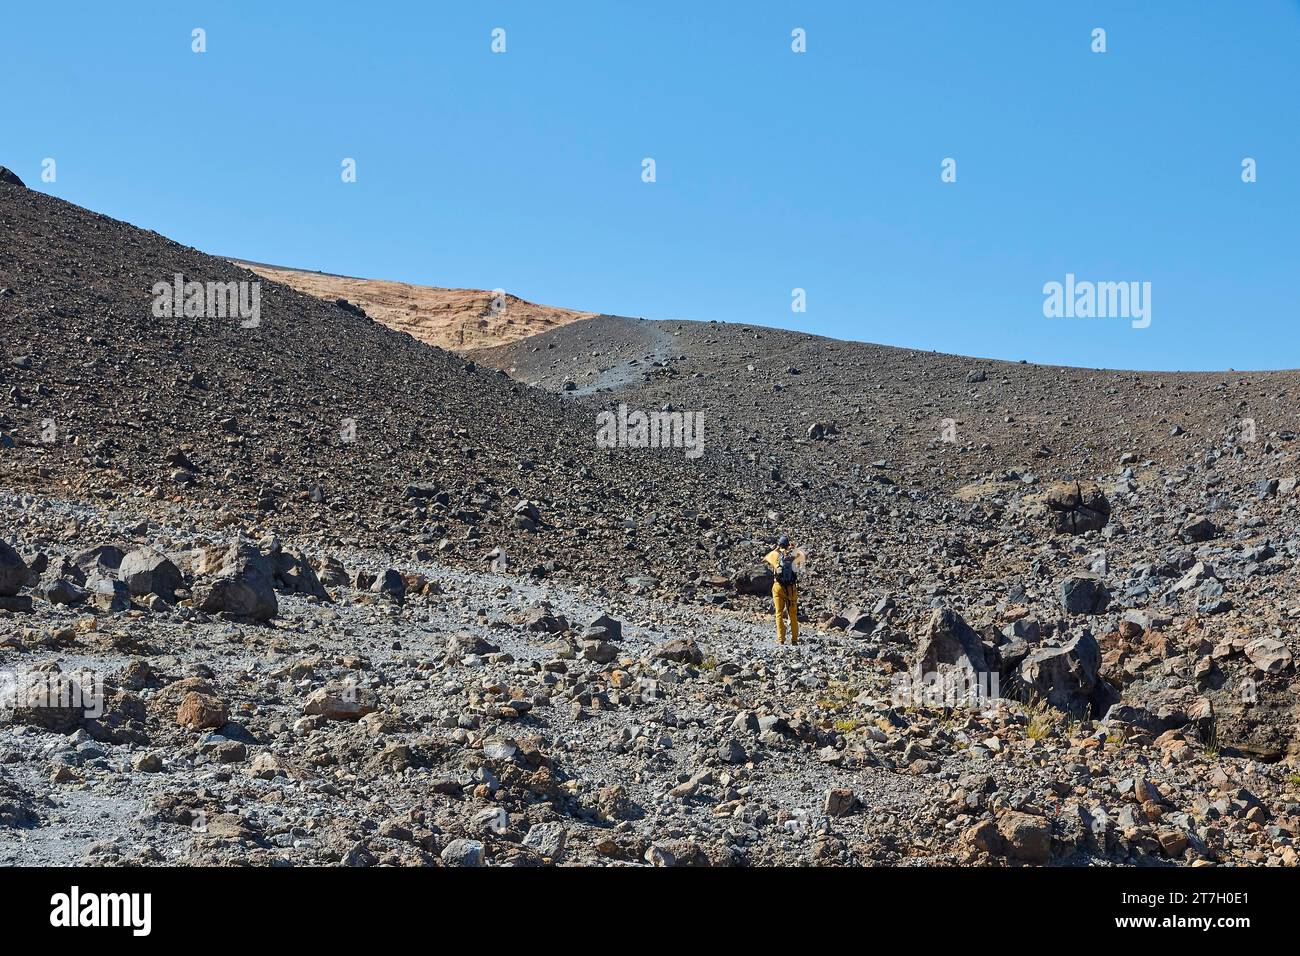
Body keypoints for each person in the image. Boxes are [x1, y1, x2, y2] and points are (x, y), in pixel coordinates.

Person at [763, 534, 800, 645]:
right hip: (791, 588)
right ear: (788, 545)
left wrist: (776, 549)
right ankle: (794, 639)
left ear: (779, 544)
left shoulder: (774, 554)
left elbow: (764, 558)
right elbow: (800, 561)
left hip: (778, 587)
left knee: (779, 613)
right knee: (793, 614)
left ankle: (781, 639)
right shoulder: (794, 555)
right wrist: (794, 548)